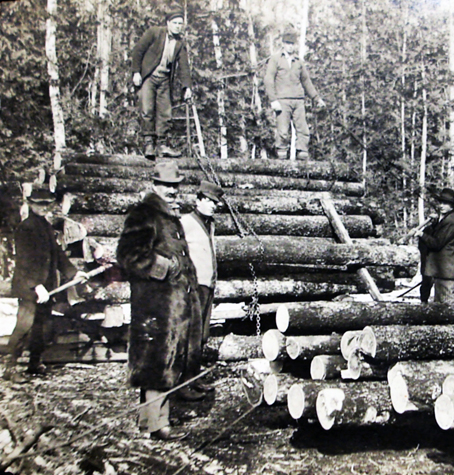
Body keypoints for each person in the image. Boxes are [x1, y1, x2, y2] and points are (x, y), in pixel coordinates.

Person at [116, 161, 201, 441]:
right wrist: (163, 267)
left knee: (161, 359)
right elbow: (128, 255)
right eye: (167, 186)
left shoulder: (168, 215)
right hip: (155, 305)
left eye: (176, 186)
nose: (173, 191)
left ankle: (147, 421)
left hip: (170, 304)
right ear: (155, 186)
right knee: (158, 361)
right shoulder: (144, 214)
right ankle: (158, 425)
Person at [3, 189, 88, 383]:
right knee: (25, 325)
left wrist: (74, 272)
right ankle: (11, 366)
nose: (43, 208)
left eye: (47, 204)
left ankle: (35, 362)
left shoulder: (46, 226)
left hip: (47, 288)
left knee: (42, 327)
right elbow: (24, 261)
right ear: (31, 204)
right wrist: (36, 285)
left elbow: (57, 255)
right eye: (39, 204)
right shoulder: (26, 228)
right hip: (29, 286)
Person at [131, 5, 193, 160]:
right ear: (168, 23)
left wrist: (187, 87)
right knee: (147, 110)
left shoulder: (180, 43)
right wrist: (136, 72)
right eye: (175, 23)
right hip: (149, 77)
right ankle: (148, 144)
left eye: (180, 24)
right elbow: (138, 50)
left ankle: (162, 145)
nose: (178, 26)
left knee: (165, 113)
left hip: (164, 80)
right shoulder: (155, 33)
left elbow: (184, 66)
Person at [180, 180, 224, 394]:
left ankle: (194, 378)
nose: (212, 205)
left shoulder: (210, 223)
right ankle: (183, 385)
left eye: (215, 202)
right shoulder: (185, 222)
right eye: (208, 201)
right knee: (191, 335)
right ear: (198, 200)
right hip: (193, 286)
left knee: (202, 335)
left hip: (208, 285)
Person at [264, 31, 325, 160]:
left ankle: (302, 155)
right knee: (283, 132)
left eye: (292, 44)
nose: (290, 46)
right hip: (282, 101)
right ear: (283, 44)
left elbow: (306, 81)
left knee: (303, 130)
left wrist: (316, 98)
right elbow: (269, 79)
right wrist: (273, 100)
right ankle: (281, 158)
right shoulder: (275, 60)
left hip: (298, 100)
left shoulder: (299, 62)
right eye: (288, 43)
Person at [414, 188, 454, 303]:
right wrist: (435, 223)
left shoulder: (452, 221)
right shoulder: (448, 218)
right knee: (440, 305)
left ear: (452, 206)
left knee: (446, 305)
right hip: (442, 270)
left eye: (445, 203)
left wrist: (422, 234)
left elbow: (437, 243)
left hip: (445, 270)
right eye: (440, 202)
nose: (441, 206)